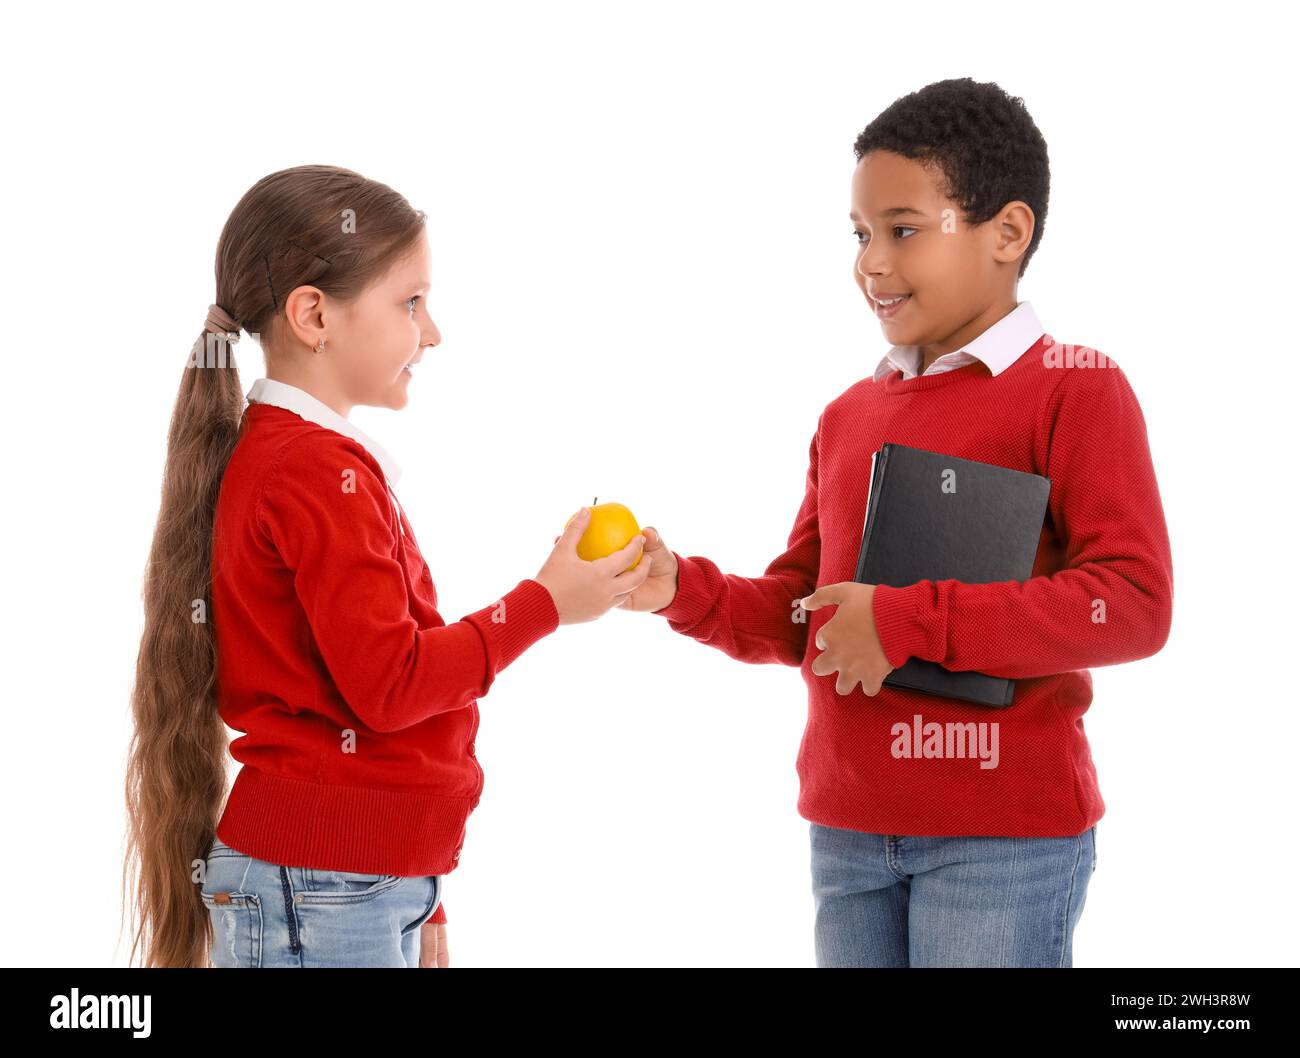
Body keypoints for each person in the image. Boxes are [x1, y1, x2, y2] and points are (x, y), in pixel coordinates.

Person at [616, 78, 1174, 967]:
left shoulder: (1076, 386)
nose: (870, 262)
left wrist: (908, 622)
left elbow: (1133, 603)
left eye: (903, 230)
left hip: (1002, 843)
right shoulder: (849, 414)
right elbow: (809, 610)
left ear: (1007, 232)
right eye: (860, 234)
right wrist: (683, 589)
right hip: (846, 833)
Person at [124, 164, 652, 967]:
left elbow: (362, 713)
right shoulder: (310, 471)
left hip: (343, 883)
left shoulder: (303, 461)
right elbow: (393, 683)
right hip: (324, 885)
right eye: (411, 302)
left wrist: (419, 879)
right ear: (314, 315)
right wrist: (545, 602)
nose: (432, 331)